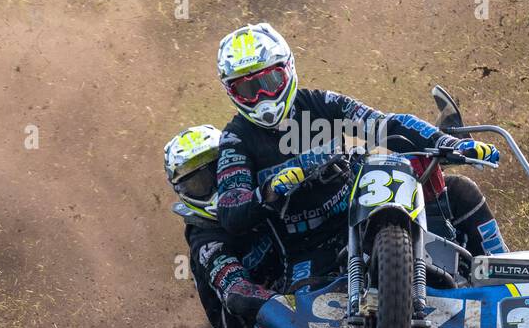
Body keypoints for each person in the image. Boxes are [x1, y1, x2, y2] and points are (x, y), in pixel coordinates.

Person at [213, 22, 508, 288]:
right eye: (247, 90)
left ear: (288, 69)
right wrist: (269, 190)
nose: (261, 97)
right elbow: (229, 210)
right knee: (310, 294)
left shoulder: (321, 103)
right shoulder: (235, 139)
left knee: (460, 192)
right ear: (231, 93)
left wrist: (448, 143)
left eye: (268, 82)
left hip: (366, 218)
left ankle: (511, 281)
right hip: (306, 252)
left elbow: (386, 123)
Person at [163, 124, 279, 328]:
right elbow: (236, 289)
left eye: (219, 172)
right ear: (183, 191)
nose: (216, 188)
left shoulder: (256, 192)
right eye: (199, 184)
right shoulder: (204, 236)